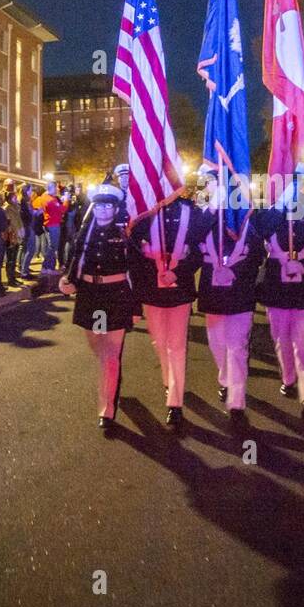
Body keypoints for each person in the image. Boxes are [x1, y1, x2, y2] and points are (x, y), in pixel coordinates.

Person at [127, 171, 210, 428]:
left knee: (177, 345)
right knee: (160, 343)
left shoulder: (192, 212)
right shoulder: (145, 215)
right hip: (153, 290)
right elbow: (133, 252)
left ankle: (174, 401)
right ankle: (168, 382)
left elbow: (199, 252)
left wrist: (178, 270)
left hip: (179, 288)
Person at [59, 183, 134, 431]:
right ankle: (112, 382)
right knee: (100, 349)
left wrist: (137, 306)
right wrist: (68, 281)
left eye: (108, 205)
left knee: (110, 354)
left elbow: (136, 268)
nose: (103, 210)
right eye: (99, 205)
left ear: (115, 208)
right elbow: (75, 261)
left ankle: (107, 409)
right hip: (92, 297)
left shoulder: (124, 233)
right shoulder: (85, 232)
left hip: (115, 296)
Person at [256, 173, 304, 417]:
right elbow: (260, 230)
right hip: (277, 287)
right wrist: (279, 208)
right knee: (281, 339)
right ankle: (288, 378)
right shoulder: (273, 216)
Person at [196, 172, 264, 421]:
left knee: (237, 347)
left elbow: (257, 254)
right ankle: (225, 378)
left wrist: (235, 267)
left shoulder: (246, 216)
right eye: (208, 184)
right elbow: (193, 239)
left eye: (215, 183)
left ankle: (237, 399)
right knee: (217, 344)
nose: (211, 187)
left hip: (239, 291)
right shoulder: (203, 216)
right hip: (213, 292)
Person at [42, 186, 66, 273]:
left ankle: (46, 267)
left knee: (51, 246)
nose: (57, 191)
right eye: (56, 189)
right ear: (51, 188)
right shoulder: (50, 199)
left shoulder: (48, 197)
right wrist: (66, 200)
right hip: (53, 224)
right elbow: (62, 209)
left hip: (51, 223)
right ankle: (49, 267)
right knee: (53, 247)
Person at [3, 186, 22, 286]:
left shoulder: (15, 207)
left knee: (14, 259)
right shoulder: (7, 208)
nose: (16, 199)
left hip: (17, 236)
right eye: (15, 197)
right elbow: (9, 224)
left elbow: (18, 221)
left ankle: (13, 278)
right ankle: (10, 279)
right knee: (10, 259)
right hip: (12, 237)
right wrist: (13, 235)